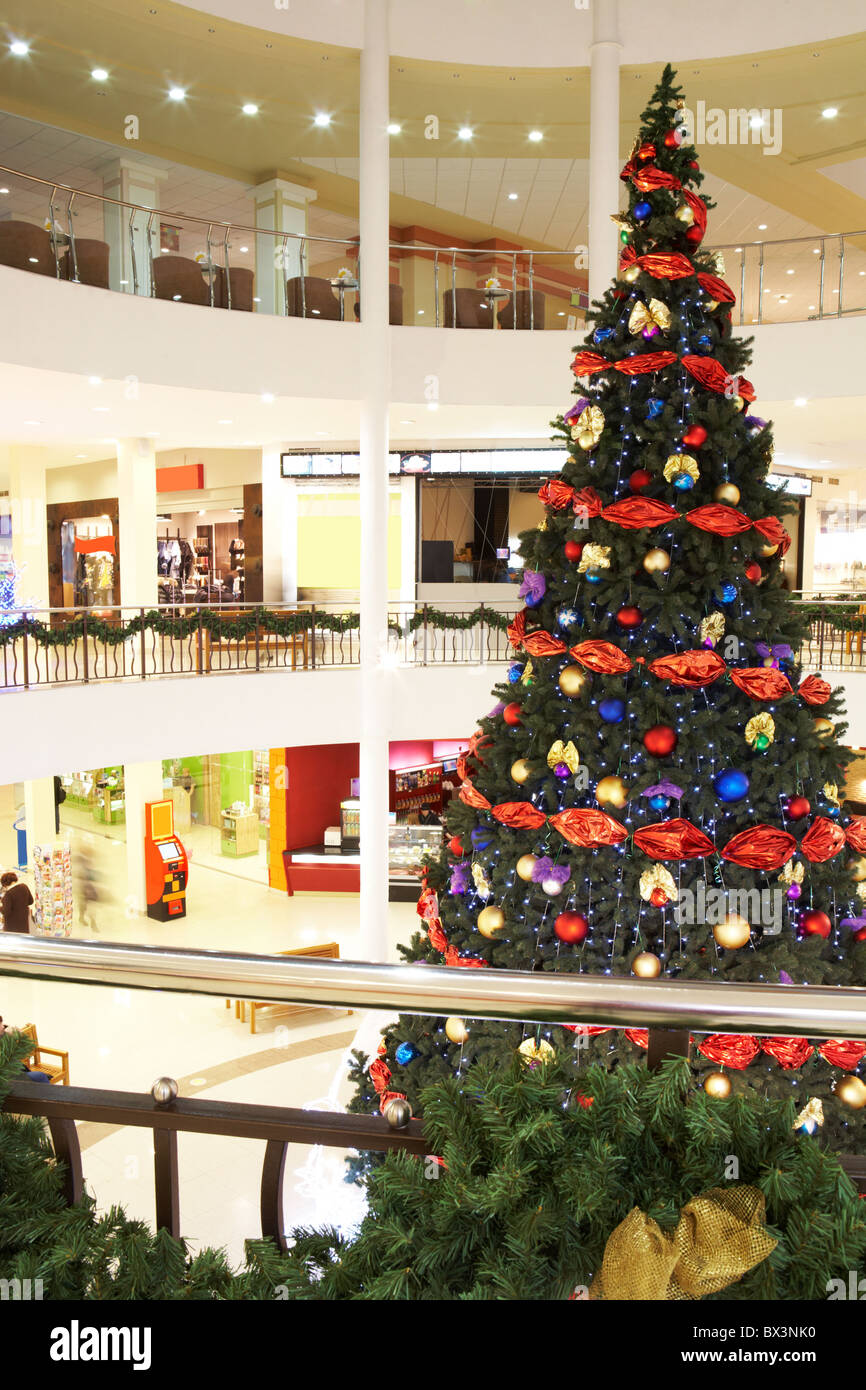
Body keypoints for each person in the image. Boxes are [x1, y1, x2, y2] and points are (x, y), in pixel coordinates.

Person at [0, 1018, 51, 1082]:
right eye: (0, 1024)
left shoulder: (3, 1034)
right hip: (8, 1077)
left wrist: (17, 1034)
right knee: (40, 1076)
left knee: (39, 1076)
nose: (3, 1026)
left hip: (16, 1070)